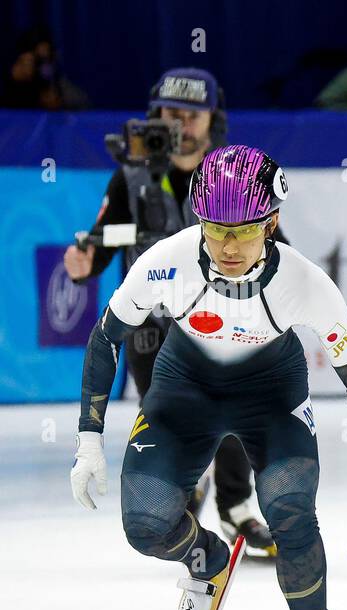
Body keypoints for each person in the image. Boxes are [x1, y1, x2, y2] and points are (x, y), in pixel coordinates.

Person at [69, 145, 347, 610]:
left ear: (271, 223)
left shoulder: (305, 282)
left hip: (271, 394)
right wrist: (87, 442)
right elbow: (106, 338)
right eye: (214, 228)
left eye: (242, 231)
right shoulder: (164, 262)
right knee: (145, 524)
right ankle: (207, 559)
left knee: (290, 508)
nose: (226, 247)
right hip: (184, 389)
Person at [62, 67, 278, 555]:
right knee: (170, 405)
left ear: (211, 120)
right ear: (153, 116)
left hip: (224, 316)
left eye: (190, 114)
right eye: (169, 112)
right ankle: (191, 480)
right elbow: (100, 243)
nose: (179, 123)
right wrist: (82, 265)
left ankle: (236, 506)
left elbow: (274, 246)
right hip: (153, 325)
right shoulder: (131, 177)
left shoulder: (235, 174)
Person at [2, 25, 90, 110]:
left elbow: (84, 104)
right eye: (37, 60)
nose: (40, 66)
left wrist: (60, 103)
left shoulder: (56, 82)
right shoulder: (10, 79)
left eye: (45, 60)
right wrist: (13, 80)